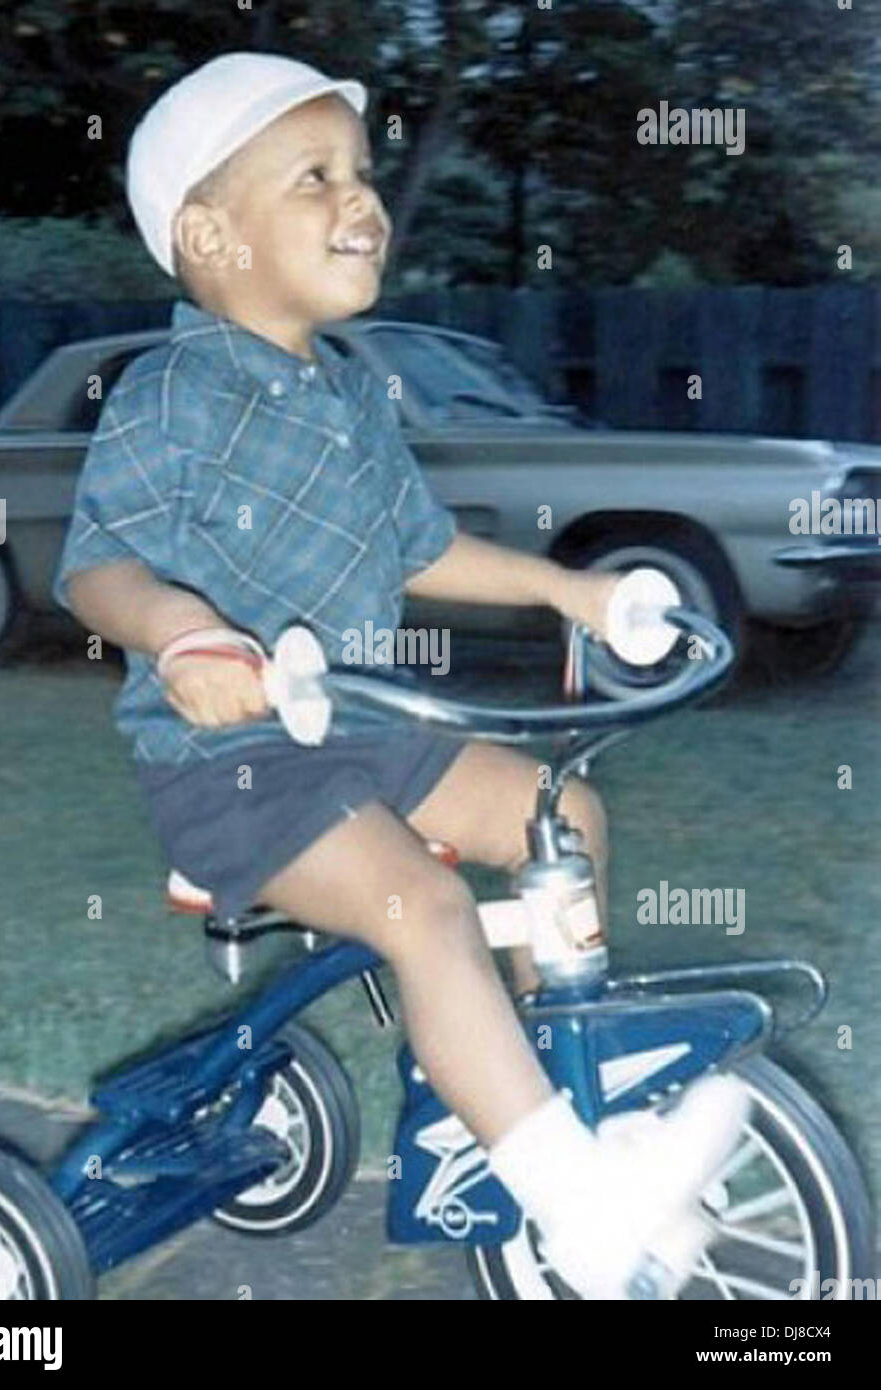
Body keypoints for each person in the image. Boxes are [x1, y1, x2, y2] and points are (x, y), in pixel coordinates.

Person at [54, 52, 748, 1299]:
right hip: (230, 758)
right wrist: (186, 634)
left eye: (363, 174)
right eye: (313, 177)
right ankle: (574, 1205)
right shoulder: (172, 395)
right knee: (420, 914)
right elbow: (97, 567)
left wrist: (569, 590)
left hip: (361, 726)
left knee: (561, 816)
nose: (360, 199)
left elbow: (421, 545)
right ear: (209, 235)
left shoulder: (352, 396)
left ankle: (550, 1101)